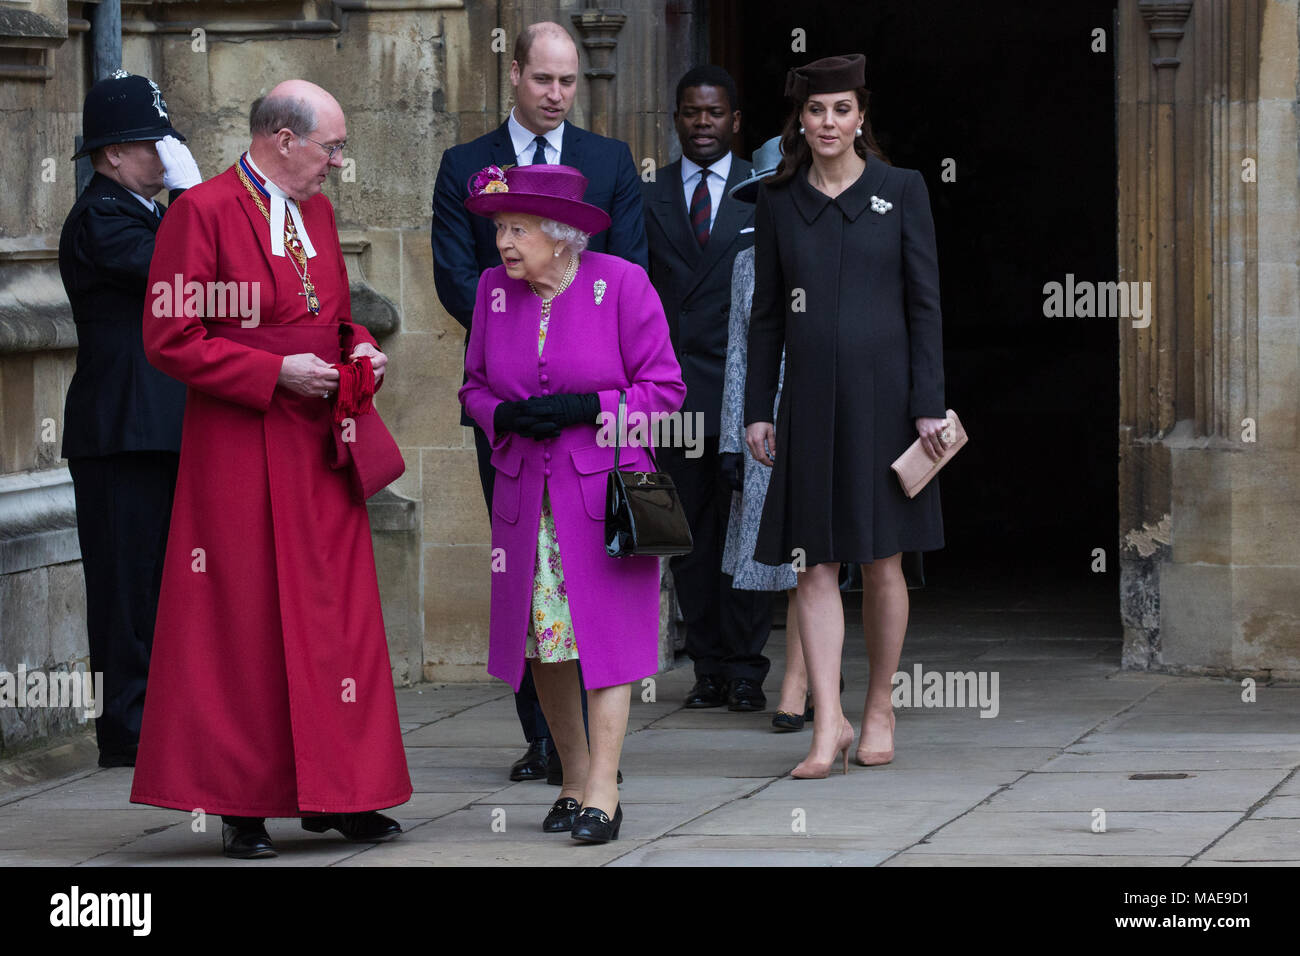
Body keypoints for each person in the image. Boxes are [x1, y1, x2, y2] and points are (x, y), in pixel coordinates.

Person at [131, 80, 412, 858]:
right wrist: (274, 373)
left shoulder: (317, 211)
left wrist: (354, 345)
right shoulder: (201, 212)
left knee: (338, 627)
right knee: (244, 627)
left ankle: (344, 794)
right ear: (282, 140)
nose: (337, 163)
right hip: (241, 450)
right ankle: (241, 807)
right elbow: (170, 338)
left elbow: (327, 312)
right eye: (331, 147)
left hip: (320, 447)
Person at [432, 20, 648, 785]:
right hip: (513, 420)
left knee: (595, 590)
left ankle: (599, 766)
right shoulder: (467, 165)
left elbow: (630, 269)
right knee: (529, 584)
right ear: (515, 74)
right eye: (544, 79)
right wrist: (517, 330)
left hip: (595, 436)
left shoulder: (608, 161)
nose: (557, 94)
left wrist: (582, 360)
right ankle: (549, 744)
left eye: (568, 82)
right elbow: (459, 275)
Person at [458, 163, 684, 843]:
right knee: (544, 644)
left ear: (560, 237)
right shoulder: (493, 292)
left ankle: (606, 793)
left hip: (602, 496)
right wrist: (502, 416)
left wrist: (594, 406)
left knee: (606, 642)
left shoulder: (620, 284)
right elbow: (471, 386)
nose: (503, 242)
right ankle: (574, 779)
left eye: (517, 228)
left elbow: (665, 393)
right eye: (500, 228)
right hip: (526, 499)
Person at [744, 55, 950, 778]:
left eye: (841, 109)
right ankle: (826, 719)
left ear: (861, 115)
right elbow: (766, 315)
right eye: (815, 111)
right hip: (806, 403)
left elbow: (925, 304)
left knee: (884, 561)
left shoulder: (903, 190)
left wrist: (929, 404)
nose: (827, 123)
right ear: (799, 120)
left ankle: (879, 707)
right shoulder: (777, 201)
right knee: (814, 562)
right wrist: (756, 411)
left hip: (890, 404)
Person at [58, 71, 200, 768]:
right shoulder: (101, 217)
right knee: (126, 586)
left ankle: (157, 720)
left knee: (163, 583)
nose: (166, 156)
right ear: (113, 154)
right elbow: (180, 276)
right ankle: (126, 729)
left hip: (160, 425)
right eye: (154, 145)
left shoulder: (144, 212)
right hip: (122, 429)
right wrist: (196, 203)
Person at [643, 66, 772, 712]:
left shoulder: (767, 189)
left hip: (744, 389)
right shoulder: (651, 195)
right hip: (675, 396)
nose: (701, 123)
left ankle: (749, 668)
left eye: (713, 113)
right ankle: (710, 667)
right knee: (687, 534)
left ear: (735, 121)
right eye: (690, 112)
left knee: (746, 533)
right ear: (676, 118)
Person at [717, 137, 808, 732]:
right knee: (778, 561)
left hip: (826, 411)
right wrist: (731, 437)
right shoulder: (746, 262)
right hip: (764, 421)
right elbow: (739, 354)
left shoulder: (839, 248)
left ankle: (799, 686)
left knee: (816, 558)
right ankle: (808, 672)